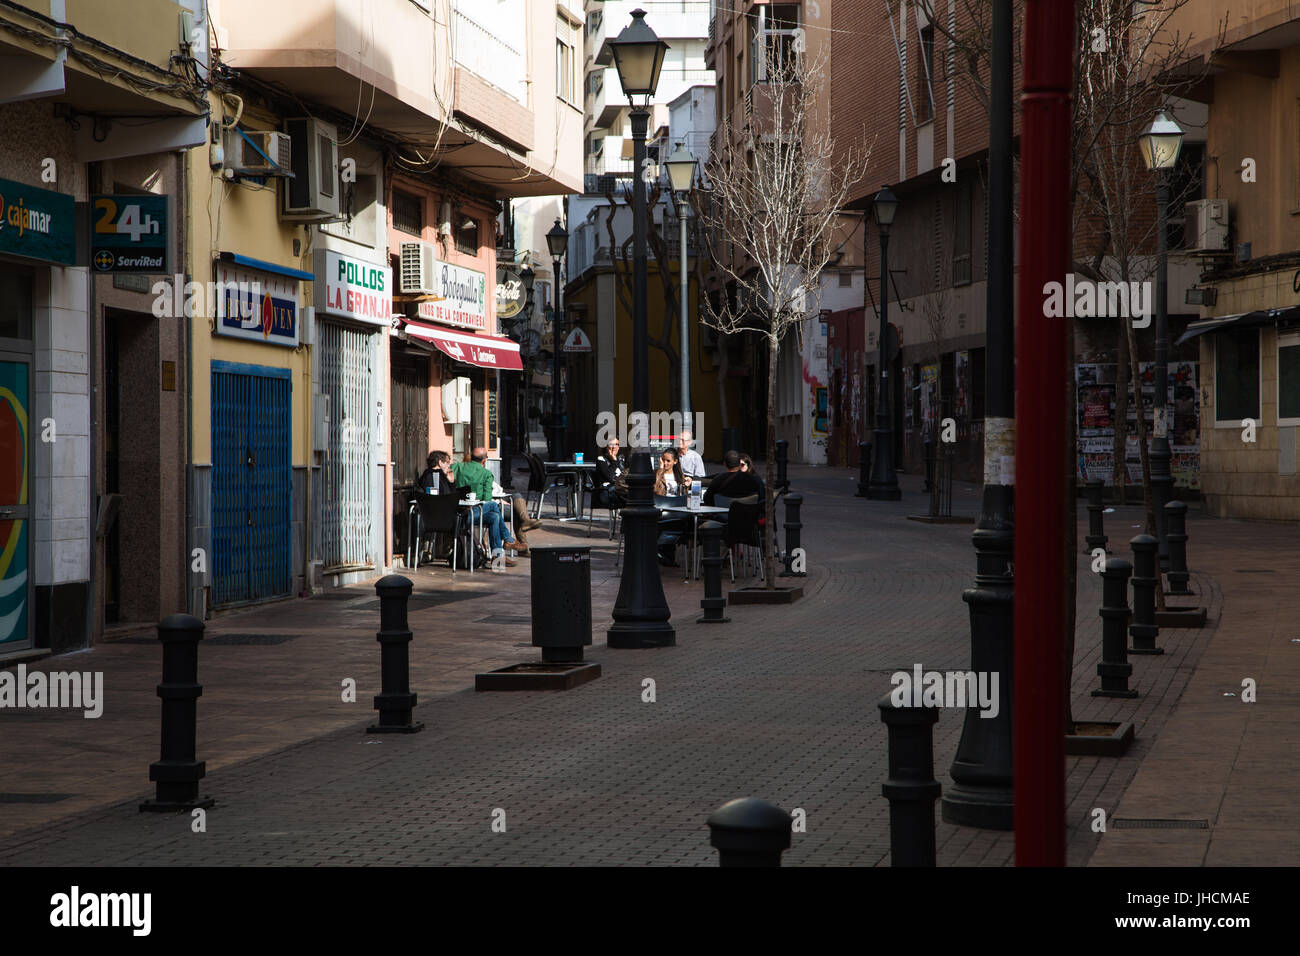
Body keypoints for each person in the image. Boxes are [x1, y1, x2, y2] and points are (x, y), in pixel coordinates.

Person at [452, 447, 519, 567]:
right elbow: (487, 500)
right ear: (484, 460)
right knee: (493, 505)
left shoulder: (458, 467)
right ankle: (508, 539)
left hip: (457, 513)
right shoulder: (486, 474)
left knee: (494, 517)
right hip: (469, 515)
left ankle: (497, 557)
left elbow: (448, 473)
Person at [594, 439, 629, 508]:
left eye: (616, 444)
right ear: (607, 447)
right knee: (632, 493)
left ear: (618, 447)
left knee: (636, 490)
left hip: (620, 489)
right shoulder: (601, 459)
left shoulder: (621, 459)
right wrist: (614, 461)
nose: (614, 447)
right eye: (611, 444)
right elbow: (609, 477)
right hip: (607, 491)